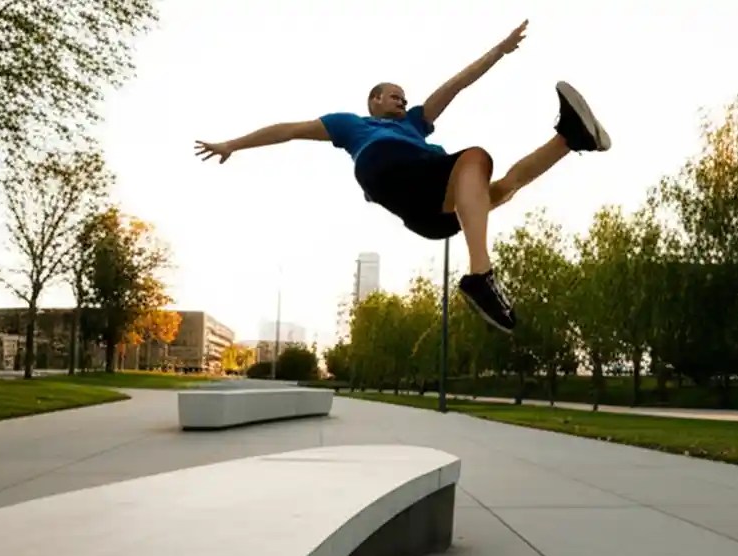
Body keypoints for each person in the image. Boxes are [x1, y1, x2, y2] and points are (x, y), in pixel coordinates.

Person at [193, 20, 610, 333]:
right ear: (374, 101)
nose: (403, 103)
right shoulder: (350, 124)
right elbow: (289, 130)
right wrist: (232, 144)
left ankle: (571, 138)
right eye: (395, 96)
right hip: (388, 170)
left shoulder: (416, 122)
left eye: (405, 98)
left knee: (497, 188)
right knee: (477, 160)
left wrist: (499, 51)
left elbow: (456, 85)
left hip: (432, 211)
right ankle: (481, 276)